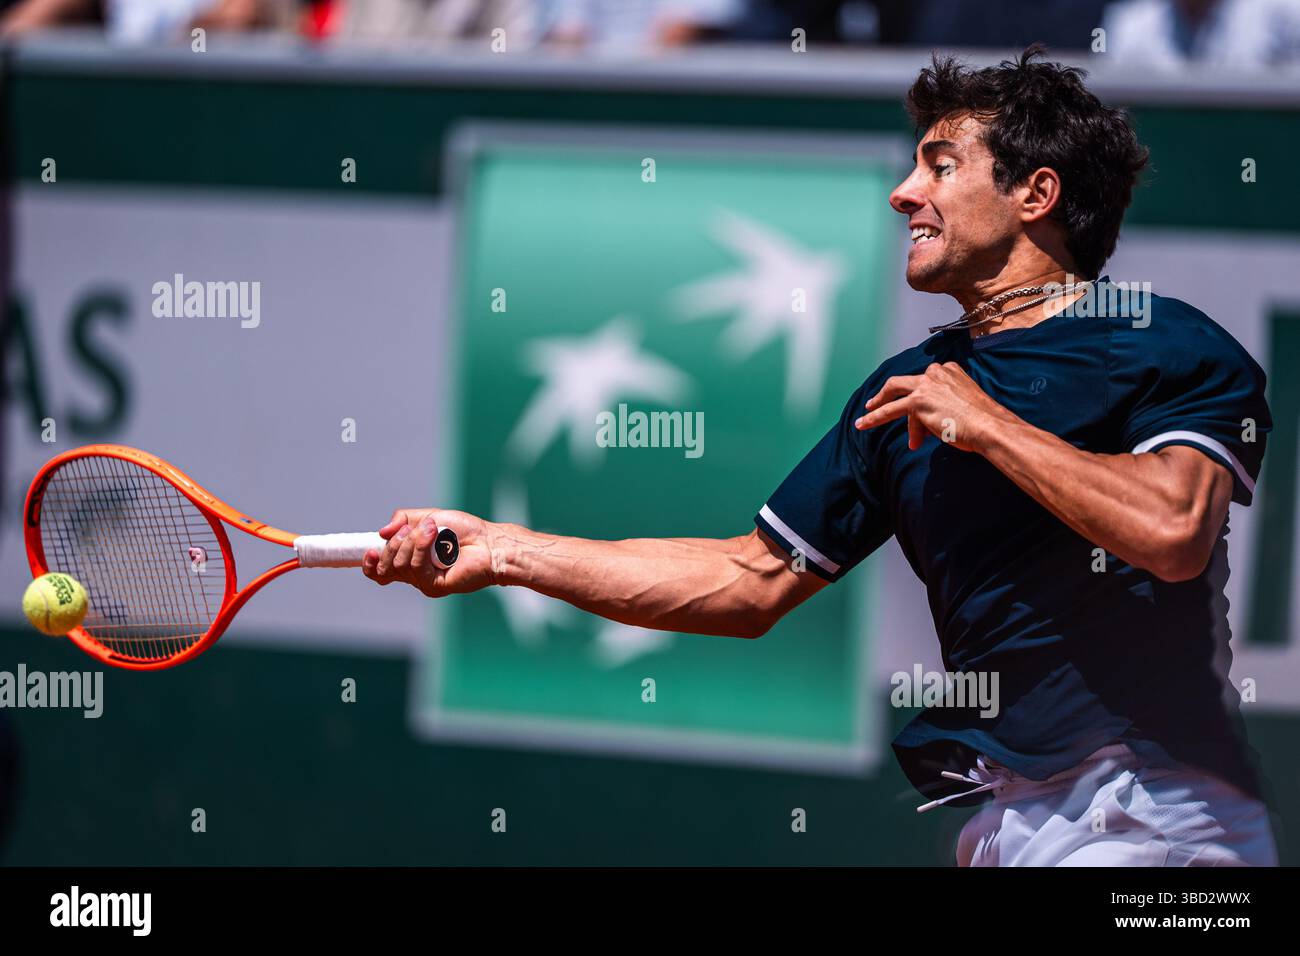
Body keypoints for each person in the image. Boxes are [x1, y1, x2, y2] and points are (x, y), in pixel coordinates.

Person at [363, 47, 1277, 867]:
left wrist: (989, 424)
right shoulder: (906, 388)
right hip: (1008, 823)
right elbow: (746, 580)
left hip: (1156, 819)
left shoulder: (1167, 345)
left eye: (940, 165)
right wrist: (503, 551)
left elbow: (1173, 531)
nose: (903, 192)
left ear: (1034, 195)